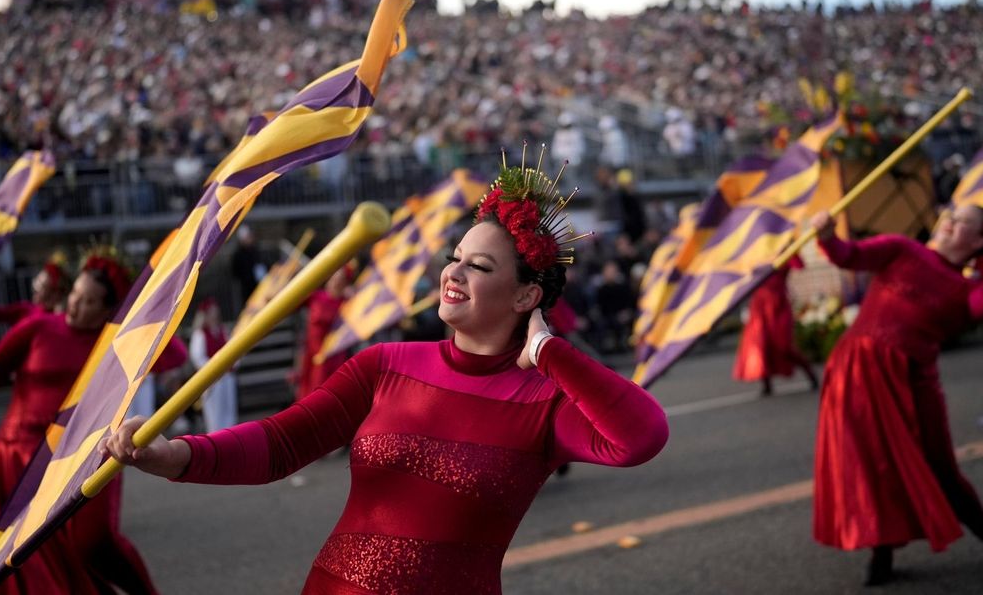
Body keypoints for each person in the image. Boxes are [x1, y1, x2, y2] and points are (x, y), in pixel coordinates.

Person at [102, 160, 669, 595]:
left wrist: (550, 353)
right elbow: (281, 444)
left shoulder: (545, 399)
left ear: (526, 295)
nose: (454, 271)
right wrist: (173, 455)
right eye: (457, 255)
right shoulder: (384, 365)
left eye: (481, 266)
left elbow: (641, 437)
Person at [0, 254, 185, 594]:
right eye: (76, 294)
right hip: (18, 457)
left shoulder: (117, 344)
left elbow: (175, 355)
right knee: (23, 555)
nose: (76, 304)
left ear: (109, 310)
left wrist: (139, 308)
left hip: (85, 456)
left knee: (93, 541)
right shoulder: (38, 327)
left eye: (89, 301)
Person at [809, 205, 983, 586]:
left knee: (939, 464)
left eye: (962, 222)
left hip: (914, 378)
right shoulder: (902, 248)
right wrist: (826, 235)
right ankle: (882, 550)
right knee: (870, 462)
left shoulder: (968, 288)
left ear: (978, 239)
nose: (948, 221)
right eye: (950, 214)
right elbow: (849, 255)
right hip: (857, 369)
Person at [732, 254, 818, 395]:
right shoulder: (758, 249)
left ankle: (811, 374)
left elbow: (799, 265)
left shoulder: (782, 248)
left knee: (784, 346)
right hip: (759, 307)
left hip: (779, 307)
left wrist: (790, 248)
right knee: (761, 345)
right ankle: (766, 385)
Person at [293, 262, 355, 401]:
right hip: (312, 356)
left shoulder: (347, 302)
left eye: (340, 280)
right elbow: (291, 304)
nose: (334, 282)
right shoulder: (316, 296)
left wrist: (354, 297)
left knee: (327, 398)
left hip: (334, 357)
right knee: (307, 398)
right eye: (333, 277)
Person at [0, 258, 70, 326]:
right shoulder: (26, 310)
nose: (35, 289)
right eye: (36, 283)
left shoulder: (64, 320)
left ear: (55, 294)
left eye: (41, 286)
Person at [189, 297, 237, 432]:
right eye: (211, 312)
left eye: (215, 312)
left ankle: (231, 437)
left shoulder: (223, 330)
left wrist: (231, 364)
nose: (214, 315)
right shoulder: (200, 334)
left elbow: (232, 349)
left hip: (227, 376)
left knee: (229, 409)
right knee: (214, 414)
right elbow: (197, 357)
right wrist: (214, 369)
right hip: (212, 379)